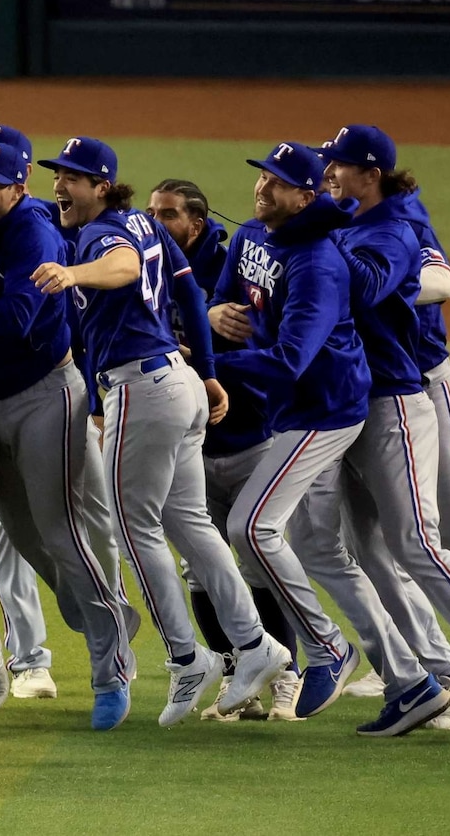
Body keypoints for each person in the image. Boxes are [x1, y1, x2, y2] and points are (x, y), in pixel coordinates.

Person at [31, 136, 290, 728]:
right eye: (56, 175)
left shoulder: (104, 238)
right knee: (189, 523)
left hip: (143, 391)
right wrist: (208, 372)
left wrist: (73, 273)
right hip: (177, 385)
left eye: (71, 177)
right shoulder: (148, 227)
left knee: (134, 526)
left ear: (101, 185)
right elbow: (191, 297)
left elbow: (120, 268)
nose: (59, 186)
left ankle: (185, 657)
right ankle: (255, 645)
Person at [208, 142, 448, 735]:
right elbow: (221, 300)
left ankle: (328, 648)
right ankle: (411, 682)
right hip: (291, 409)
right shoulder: (254, 238)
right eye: (262, 176)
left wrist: (205, 362)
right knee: (319, 549)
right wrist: (213, 322)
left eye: (278, 182)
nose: (262, 189)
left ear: (307, 195)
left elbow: (291, 358)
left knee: (250, 526)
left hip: (327, 409)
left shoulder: (317, 262)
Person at [0, 139, 136, 729]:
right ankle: (106, 614)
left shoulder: (33, 232)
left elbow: (17, 319)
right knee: (19, 531)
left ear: (18, 187)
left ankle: (109, 668)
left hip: (47, 395)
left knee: (63, 532)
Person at [319, 124, 450, 723]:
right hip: (355, 405)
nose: (329, 172)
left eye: (339, 165)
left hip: (402, 400)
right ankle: (437, 669)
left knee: (425, 540)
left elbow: (425, 282)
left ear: (370, 172)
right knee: (369, 548)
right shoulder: (348, 220)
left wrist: (319, 259)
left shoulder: (395, 229)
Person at [146, 178, 301, 722]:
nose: (156, 222)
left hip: (252, 434)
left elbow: (258, 323)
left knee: (257, 558)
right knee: (200, 568)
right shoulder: (146, 256)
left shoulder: (233, 260)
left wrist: (207, 318)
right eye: (152, 212)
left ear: (197, 221)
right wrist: (202, 319)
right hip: (191, 448)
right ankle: (239, 673)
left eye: (168, 215)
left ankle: (289, 675)